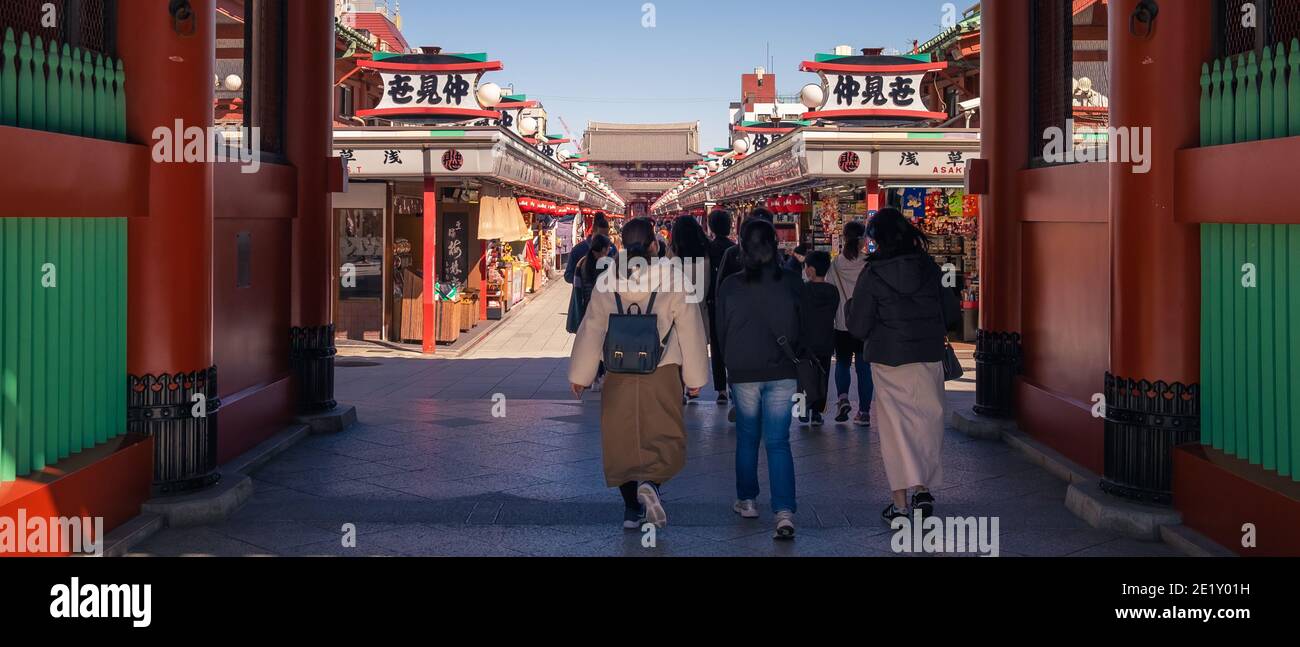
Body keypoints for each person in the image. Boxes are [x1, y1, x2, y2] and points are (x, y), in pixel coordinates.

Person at [569, 218, 710, 530]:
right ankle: (653, 484)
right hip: (662, 369)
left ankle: (631, 510)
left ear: (621, 243)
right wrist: (695, 378)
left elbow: (592, 327)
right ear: (653, 244)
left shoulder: (608, 279)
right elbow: (690, 329)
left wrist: (580, 374)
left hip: (619, 369)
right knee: (665, 432)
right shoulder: (674, 278)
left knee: (622, 438)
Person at [847, 208, 959, 523]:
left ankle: (899, 503)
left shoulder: (872, 274)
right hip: (928, 355)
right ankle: (923, 490)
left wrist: (852, 306)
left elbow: (857, 326)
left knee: (895, 429)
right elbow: (950, 313)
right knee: (927, 423)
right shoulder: (929, 267)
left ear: (876, 239)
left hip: (888, 359)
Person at [718, 217, 803, 540]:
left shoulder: (730, 285)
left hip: (743, 369)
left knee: (747, 437)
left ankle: (748, 500)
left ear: (742, 246)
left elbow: (721, 331)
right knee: (779, 441)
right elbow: (802, 323)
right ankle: (783, 512)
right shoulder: (792, 282)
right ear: (774, 245)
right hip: (781, 368)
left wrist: (728, 365)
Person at [826, 220, 873, 426]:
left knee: (843, 364)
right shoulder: (869, 264)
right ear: (862, 239)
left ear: (844, 239)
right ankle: (863, 412)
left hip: (842, 323)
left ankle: (843, 398)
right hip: (865, 324)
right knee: (864, 368)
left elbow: (829, 291)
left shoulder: (835, 265)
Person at [797, 250, 838, 426]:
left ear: (811, 270)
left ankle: (802, 410)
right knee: (823, 376)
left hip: (805, 341)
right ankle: (817, 413)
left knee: (803, 376)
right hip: (826, 340)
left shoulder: (803, 290)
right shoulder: (833, 291)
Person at [704, 210, 735, 406]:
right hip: (733, 304)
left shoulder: (707, 249)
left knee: (716, 347)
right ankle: (734, 384)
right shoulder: (735, 249)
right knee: (734, 345)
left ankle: (721, 390)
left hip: (713, 303)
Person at [565, 212, 614, 284]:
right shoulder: (578, 250)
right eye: (600, 235)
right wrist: (584, 277)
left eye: (606, 235)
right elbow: (568, 276)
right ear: (594, 230)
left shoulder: (612, 249)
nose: (603, 239)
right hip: (582, 294)